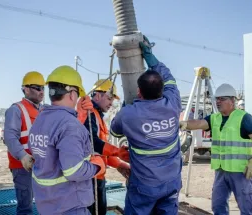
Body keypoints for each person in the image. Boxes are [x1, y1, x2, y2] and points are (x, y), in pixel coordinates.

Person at [110, 36, 182, 215]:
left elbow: (114, 131)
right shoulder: (173, 103)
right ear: (162, 90)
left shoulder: (129, 114)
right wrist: (151, 58)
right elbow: (170, 79)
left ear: (139, 92)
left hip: (144, 186)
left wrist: (127, 106)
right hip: (171, 183)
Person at [29, 65, 106, 215]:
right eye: (77, 94)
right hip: (69, 206)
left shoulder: (41, 118)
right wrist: (97, 167)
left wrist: (80, 115)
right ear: (71, 94)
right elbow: (73, 171)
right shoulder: (69, 125)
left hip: (47, 204)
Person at [180, 83, 252, 214]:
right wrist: (184, 124)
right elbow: (200, 123)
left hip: (240, 172)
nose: (218, 102)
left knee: (247, 207)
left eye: (222, 99)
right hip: (221, 170)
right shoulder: (215, 118)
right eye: (217, 99)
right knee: (218, 205)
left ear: (232, 100)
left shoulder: (244, 118)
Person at [83, 79, 130, 215]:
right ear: (97, 95)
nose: (111, 103)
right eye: (109, 98)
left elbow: (101, 152)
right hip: (90, 178)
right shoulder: (89, 114)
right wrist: (117, 152)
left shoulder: (97, 116)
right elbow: (93, 143)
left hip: (97, 176)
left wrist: (119, 164)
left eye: (113, 100)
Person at [4, 71, 45, 215]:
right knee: (25, 207)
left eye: (43, 88)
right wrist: (23, 156)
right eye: (37, 88)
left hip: (41, 165)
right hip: (23, 167)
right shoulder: (16, 110)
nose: (42, 91)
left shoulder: (44, 110)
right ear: (26, 89)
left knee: (44, 203)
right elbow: (10, 137)